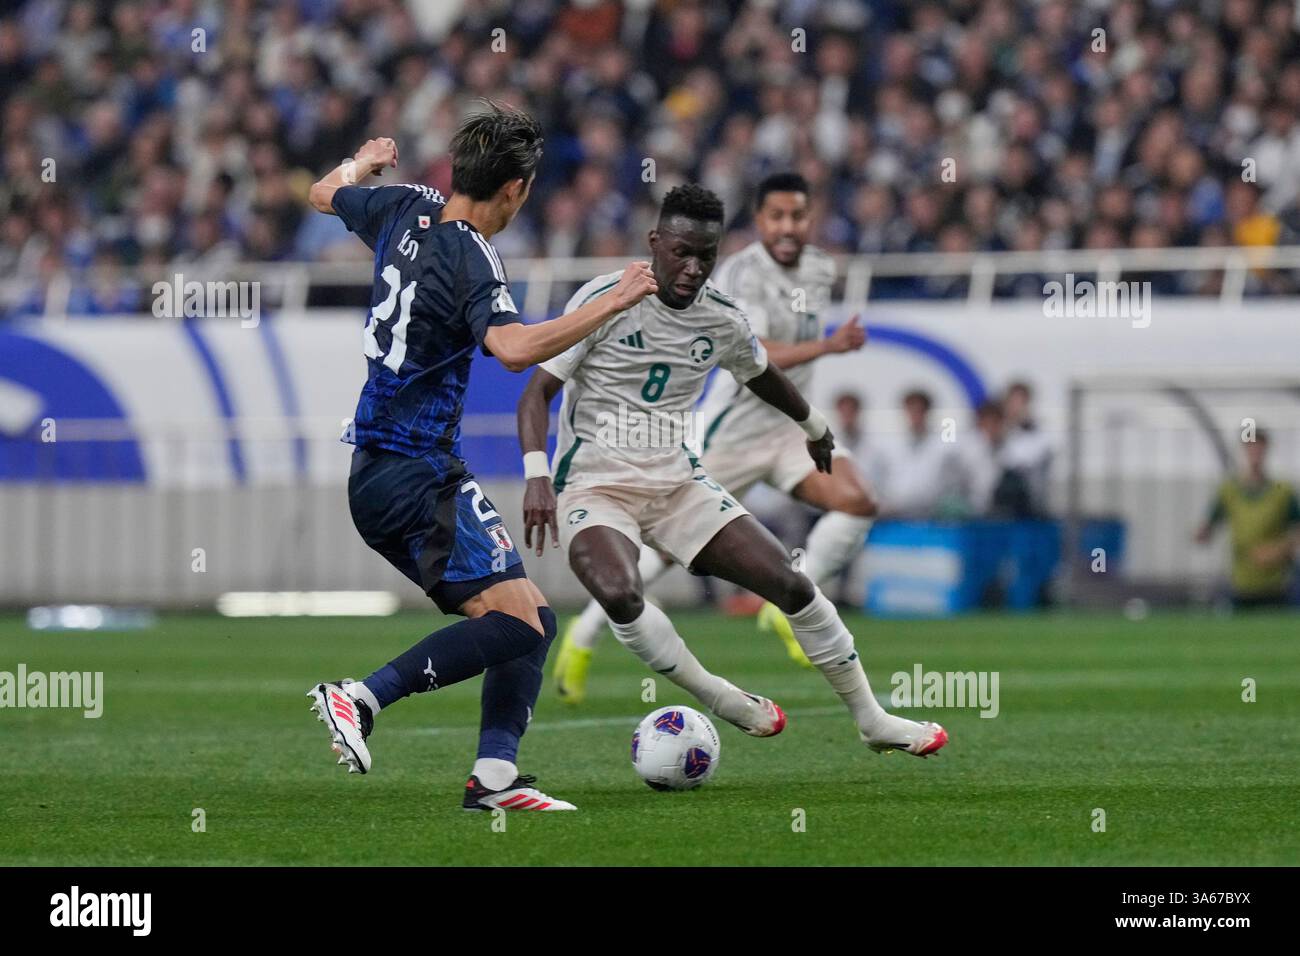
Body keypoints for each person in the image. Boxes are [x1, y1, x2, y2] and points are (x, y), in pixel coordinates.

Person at [302, 103, 657, 812]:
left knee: (529, 621)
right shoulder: (471, 253)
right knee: (520, 623)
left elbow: (321, 192)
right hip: (413, 470)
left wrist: (361, 164)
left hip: (390, 469)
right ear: (515, 191)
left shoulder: (405, 204)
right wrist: (614, 300)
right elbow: (514, 347)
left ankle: (494, 778)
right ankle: (360, 698)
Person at [516, 183, 947, 759]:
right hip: (595, 485)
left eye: (706, 256)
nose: (693, 267)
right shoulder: (604, 298)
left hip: (677, 482)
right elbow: (536, 393)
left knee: (793, 585)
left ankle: (873, 720)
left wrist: (815, 425)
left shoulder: (720, 317)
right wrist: (537, 476)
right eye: (681, 252)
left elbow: (761, 371)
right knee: (620, 591)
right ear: (655, 244)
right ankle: (722, 698)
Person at [551, 172, 880, 694]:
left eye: (798, 215)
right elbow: (758, 353)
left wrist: (811, 421)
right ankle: (587, 630)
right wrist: (830, 347)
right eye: (777, 216)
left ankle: (788, 607)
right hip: (731, 431)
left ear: (810, 219)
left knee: (857, 501)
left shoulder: (820, 269)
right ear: (760, 222)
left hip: (786, 433)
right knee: (661, 550)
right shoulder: (736, 274)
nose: (788, 226)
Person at [1195, 429, 1300, 609]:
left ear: (1266, 450)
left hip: (1277, 584)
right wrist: (1201, 534)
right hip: (1241, 583)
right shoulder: (1229, 492)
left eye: (1258, 448)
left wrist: (1280, 550)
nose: (1255, 453)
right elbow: (1206, 528)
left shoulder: (1282, 493)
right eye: (1250, 448)